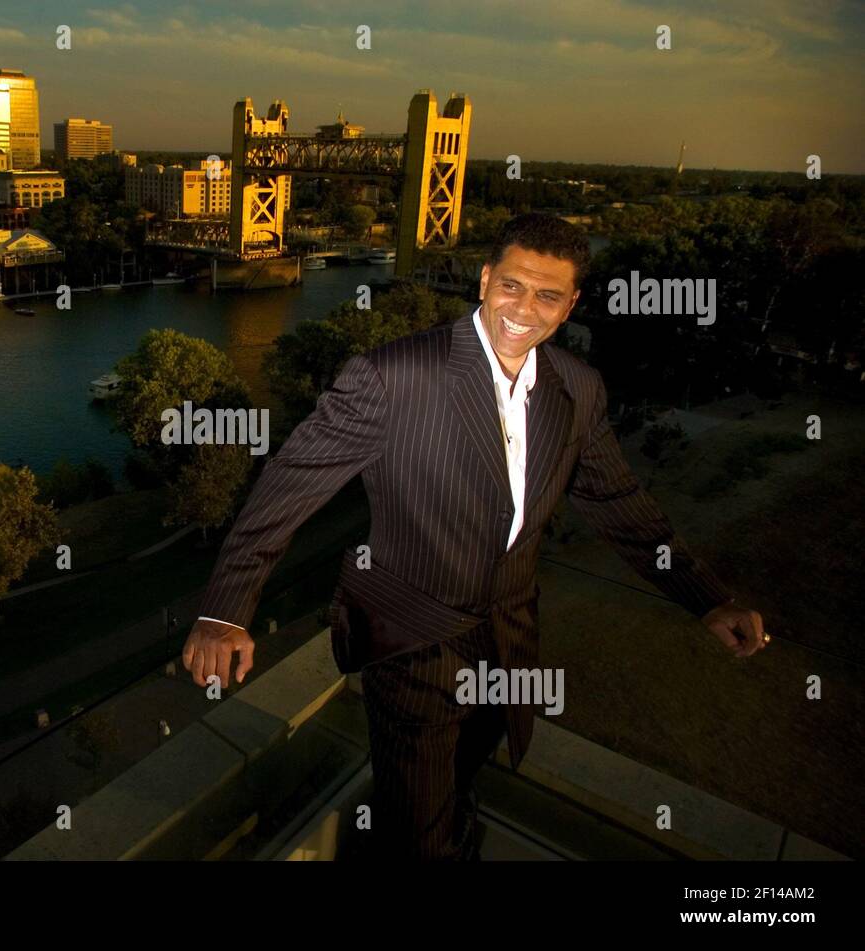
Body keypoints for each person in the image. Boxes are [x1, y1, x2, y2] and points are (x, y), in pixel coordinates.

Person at [183, 213, 768, 860]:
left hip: (510, 641)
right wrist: (224, 612)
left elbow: (619, 501)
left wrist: (705, 597)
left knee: (461, 790)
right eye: (512, 285)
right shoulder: (392, 376)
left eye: (547, 295)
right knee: (417, 835)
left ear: (571, 304)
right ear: (485, 279)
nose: (524, 308)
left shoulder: (579, 388)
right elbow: (287, 486)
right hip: (411, 642)